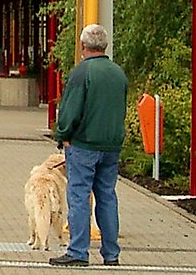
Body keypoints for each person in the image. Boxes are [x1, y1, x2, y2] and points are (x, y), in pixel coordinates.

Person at [50, 24, 127, 268]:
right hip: (111, 146)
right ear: (105, 46)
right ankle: (111, 253)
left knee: (79, 196)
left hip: (84, 144)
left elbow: (70, 110)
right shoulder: (118, 73)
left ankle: (78, 251)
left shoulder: (82, 73)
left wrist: (62, 134)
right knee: (107, 196)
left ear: (83, 46)